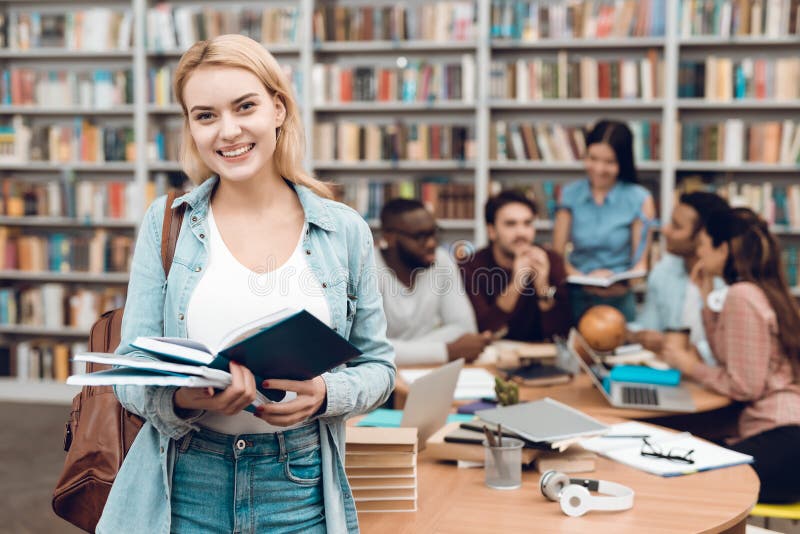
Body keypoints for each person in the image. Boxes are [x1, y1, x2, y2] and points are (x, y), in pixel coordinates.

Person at [97, 34, 395, 533]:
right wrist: (183, 397)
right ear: (190, 126)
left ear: (278, 108)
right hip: (186, 485)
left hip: (299, 489)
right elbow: (131, 373)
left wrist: (325, 393)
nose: (227, 131)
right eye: (206, 115)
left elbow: (379, 369)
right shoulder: (166, 224)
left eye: (245, 106)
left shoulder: (343, 230)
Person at [662, 207, 800, 504]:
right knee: (680, 452)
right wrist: (705, 294)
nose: (698, 253)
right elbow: (731, 357)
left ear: (722, 249)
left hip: (782, 437)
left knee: (674, 472)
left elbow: (744, 386)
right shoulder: (763, 291)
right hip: (787, 437)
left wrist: (689, 365)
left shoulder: (742, 295)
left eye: (702, 245)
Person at [553, 120, 656, 322]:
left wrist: (619, 282)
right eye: (592, 158)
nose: (599, 169)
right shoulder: (569, 195)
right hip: (576, 298)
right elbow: (557, 256)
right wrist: (585, 279)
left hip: (619, 301)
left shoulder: (640, 199)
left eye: (609, 162)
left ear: (623, 162)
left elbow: (640, 265)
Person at [376, 198, 490, 365]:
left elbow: (465, 329)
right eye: (419, 236)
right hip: (383, 379)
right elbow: (368, 351)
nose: (431, 243)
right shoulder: (367, 268)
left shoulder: (441, 260)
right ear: (389, 237)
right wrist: (447, 351)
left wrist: (400, 352)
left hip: (430, 369)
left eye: (433, 233)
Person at [629, 191, 729, 365]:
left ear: (703, 235)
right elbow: (649, 324)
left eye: (676, 226)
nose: (665, 230)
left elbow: (729, 351)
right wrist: (634, 335)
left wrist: (684, 350)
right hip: (670, 374)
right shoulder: (663, 270)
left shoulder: (730, 283)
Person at [459, 190, 572, 342]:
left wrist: (542, 286)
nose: (521, 233)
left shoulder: (550, 260)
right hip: (491, 356)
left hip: (540, 357)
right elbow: (482, 329)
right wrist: (516, 284)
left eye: (527, 223)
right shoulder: (471, 266)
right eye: (510, 224)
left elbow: (562, 334)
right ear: (492, 231)